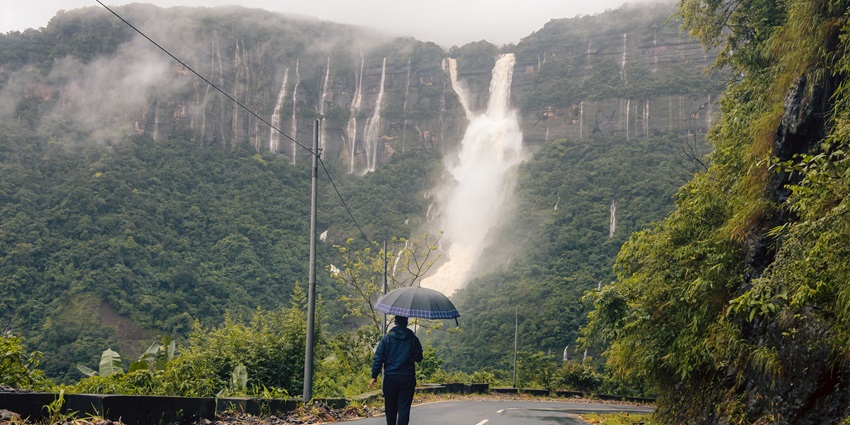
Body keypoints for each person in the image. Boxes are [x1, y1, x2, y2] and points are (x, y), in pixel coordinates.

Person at [369, 315, 423, 425]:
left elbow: (378, 358)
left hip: (390, 378)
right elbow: (419, 358)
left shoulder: (386, 339)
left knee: (390, 409)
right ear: (406, 323)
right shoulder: (413, 339)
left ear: (395, 323)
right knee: (404, 409)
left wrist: (374, 376)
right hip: (407, 378)